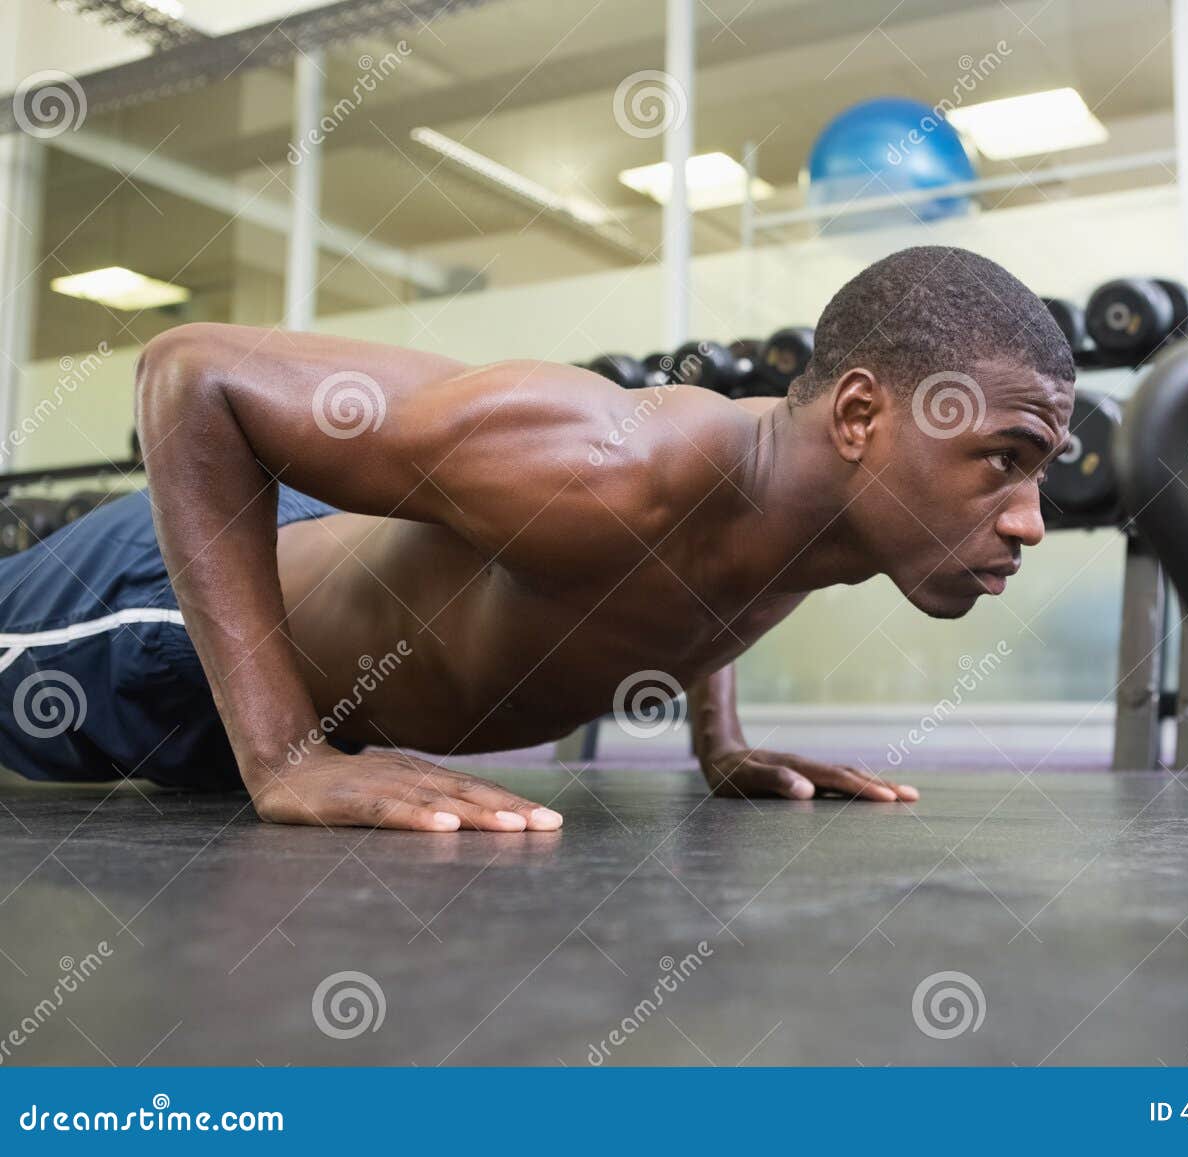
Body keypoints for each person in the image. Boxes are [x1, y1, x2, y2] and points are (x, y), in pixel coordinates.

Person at [0, 245, 1075, 831]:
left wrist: (723, 743)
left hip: (295, 672)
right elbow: (192, 374)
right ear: (857, 417)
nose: (1029, 520)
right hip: (159, 625)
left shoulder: (824, 507)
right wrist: (285, 753)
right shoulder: (599, 460)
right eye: (1006, 457)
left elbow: (725, 563)